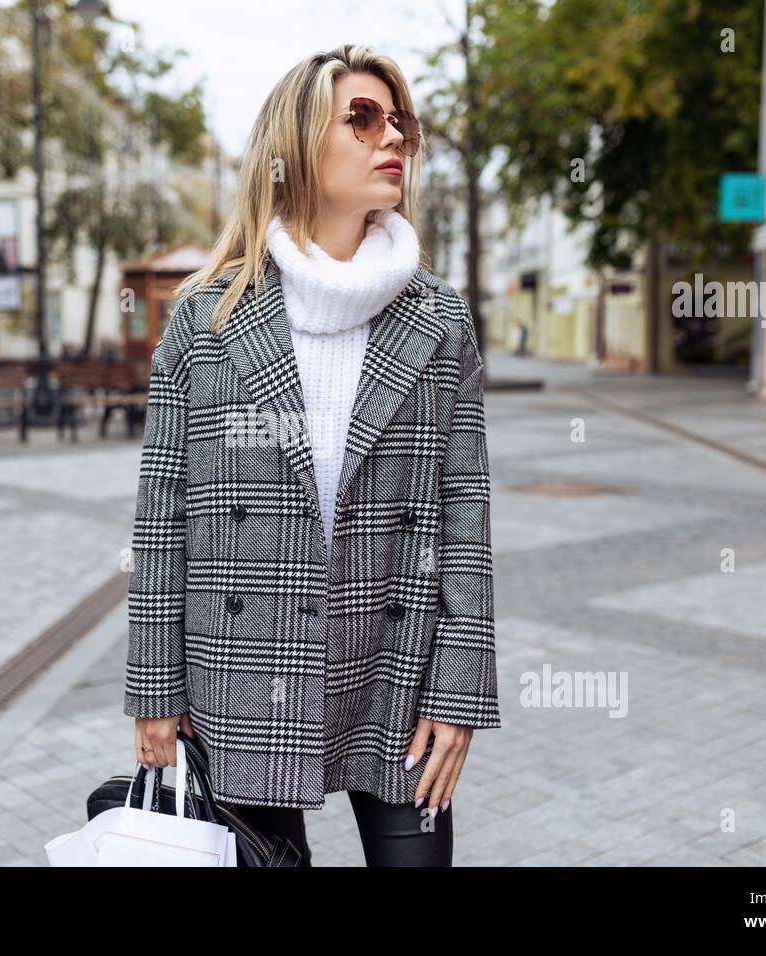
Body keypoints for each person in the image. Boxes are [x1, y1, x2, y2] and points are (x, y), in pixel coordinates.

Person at [124, 44, 501, 867]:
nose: (389, 136)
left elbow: (465, 514)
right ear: (294, 148)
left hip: (396, 668)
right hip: (243, 667)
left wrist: (461, 689)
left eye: (397, 120)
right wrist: (155, 688)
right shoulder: (207, 317)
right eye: (361, 119)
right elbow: (161, 518)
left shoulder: (440, 321)